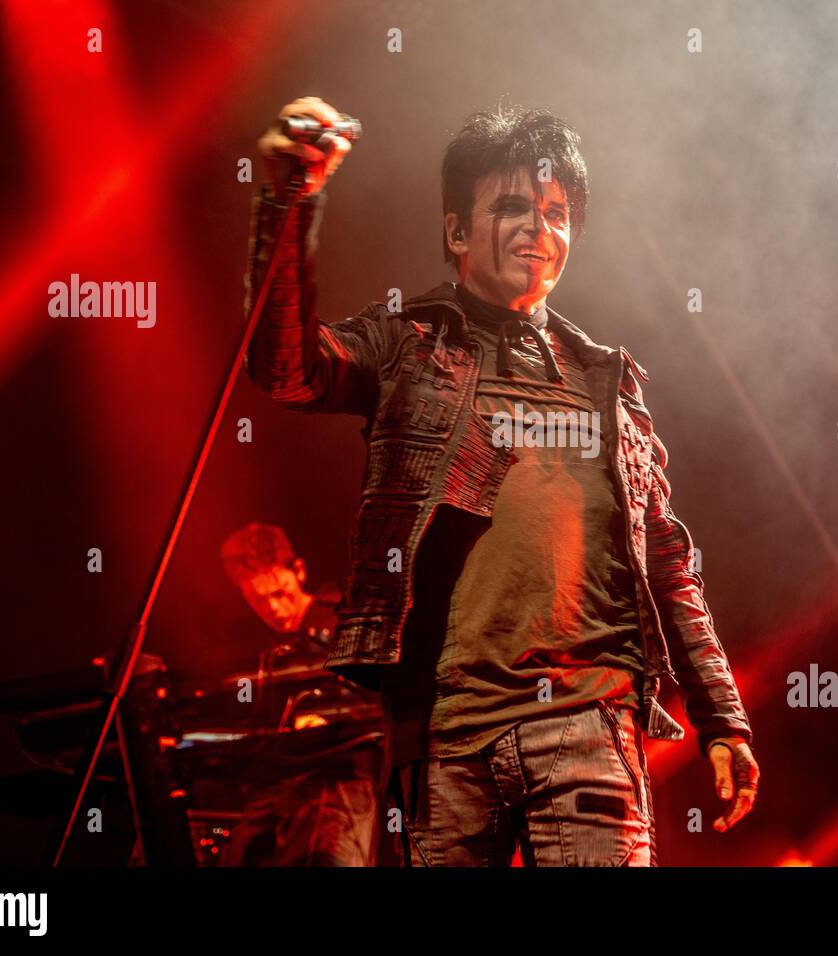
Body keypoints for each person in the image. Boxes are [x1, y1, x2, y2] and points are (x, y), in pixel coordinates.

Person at [242, 98, 759, 866]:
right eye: (512, 206)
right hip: (443, 734)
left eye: (555, 213)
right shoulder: (407, 345)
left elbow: (668, 562)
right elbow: (284, 369)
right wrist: (290, 197)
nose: (537, 227)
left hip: (589, 726)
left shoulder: (606, 382)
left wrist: (722, 716)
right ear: (457, 231)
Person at [217, 522, 386, 866]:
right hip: (275, 793)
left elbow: (380, 700)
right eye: (258, 599)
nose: (274, 610)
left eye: (280, 592)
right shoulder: (261, 651)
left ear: (299, 570)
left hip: (337, 785)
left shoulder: (344, 620)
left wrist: (331, 717)